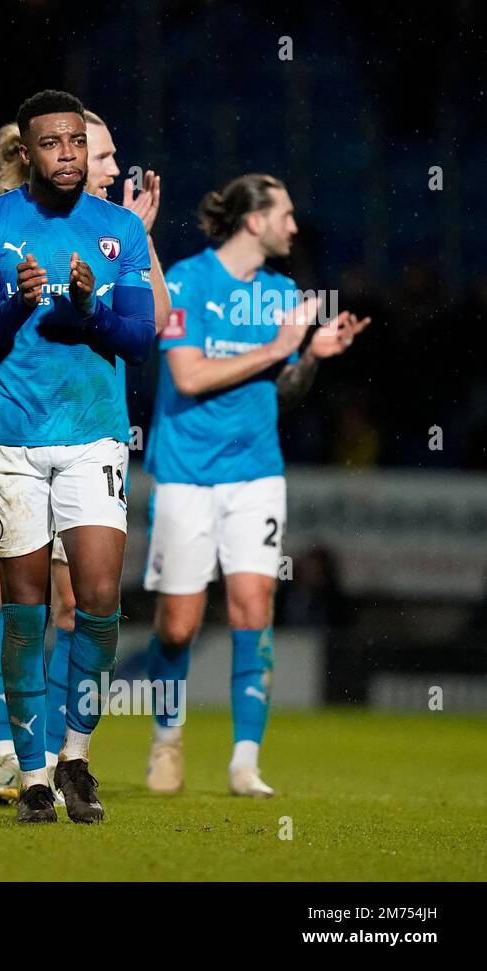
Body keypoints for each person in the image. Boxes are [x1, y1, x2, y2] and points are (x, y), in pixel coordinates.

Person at [0, 89, 155, 823]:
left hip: (95, 433)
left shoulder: (119, 229)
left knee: (99, 599)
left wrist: (86, 307)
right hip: (11, 438)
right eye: (52, 144)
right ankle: (31, 771)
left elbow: (137, 337)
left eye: (77, 142)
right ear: (26, 151)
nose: (67, 155)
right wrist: (17, 302)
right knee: (25, 610)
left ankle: (76, 755)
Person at [141, 173, 370, 796]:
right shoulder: (186, 282)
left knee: (253, 607)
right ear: (253, 220)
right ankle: (166, 737)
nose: (295, 226)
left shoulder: (283, 294)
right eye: (286, 214)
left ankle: (245, 761)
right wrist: (278, 348)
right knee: (179, 626)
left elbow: (285, 390)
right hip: (186, 474)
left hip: (256, 474)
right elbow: (188, 378)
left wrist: (313, 353)